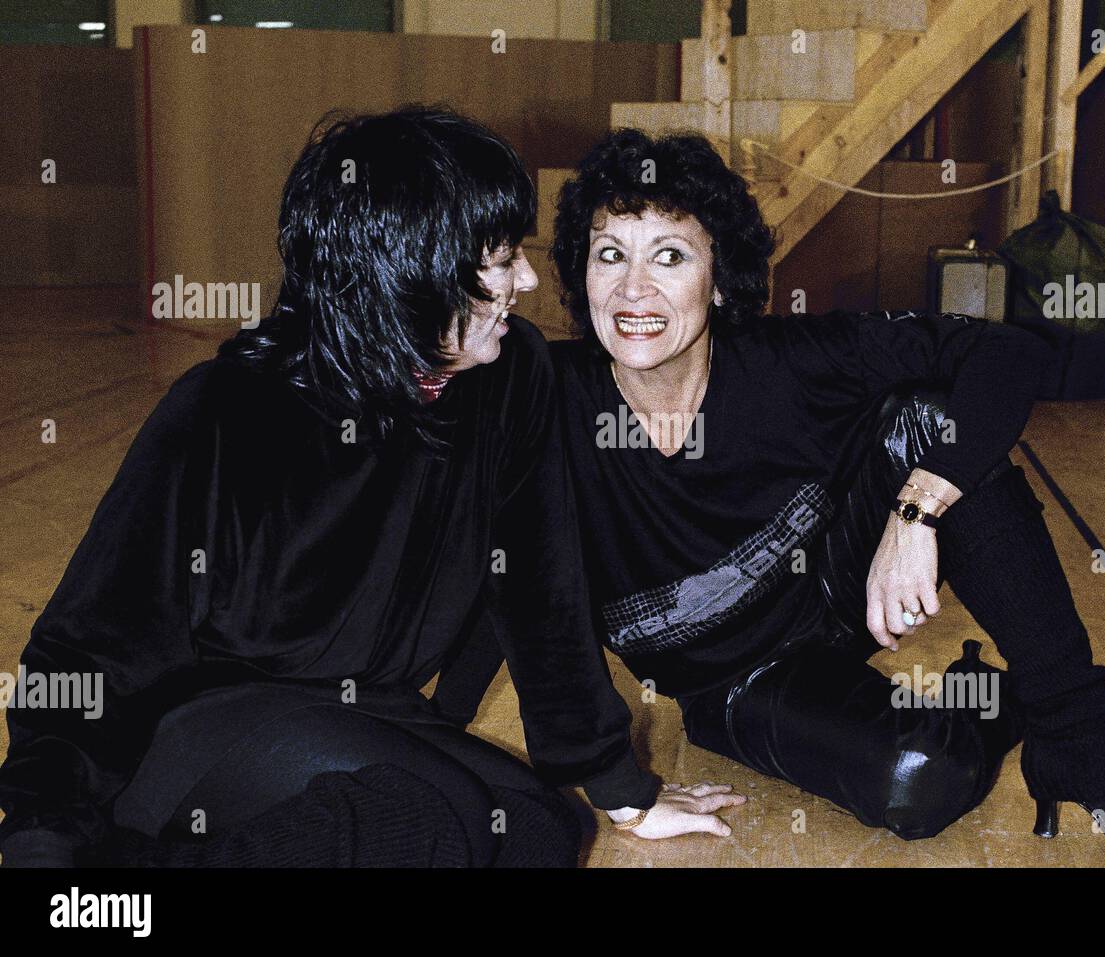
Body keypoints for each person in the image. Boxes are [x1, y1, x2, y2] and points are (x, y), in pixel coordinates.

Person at [434, 128, 1105, 867]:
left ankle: (1089, 754)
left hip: (838, 593)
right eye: (610, 254)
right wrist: (445, 747)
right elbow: (505, 585)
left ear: (718, 275)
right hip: (731, 684)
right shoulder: (543, 398)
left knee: (935, 420)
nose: (634, 289)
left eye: (670, 255)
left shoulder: (792, 362)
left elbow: (1007, 352)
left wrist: (917, 508)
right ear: (580, 271)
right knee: (920, 778)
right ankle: (1000, 702)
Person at [0, 108, 743, 869]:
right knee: (433, 822)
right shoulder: (224, 411)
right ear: (408, 274)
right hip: (199, 730)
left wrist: (618, 786)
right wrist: (42, 837)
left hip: (363, 714)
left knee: (536, 827)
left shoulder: (512, 375)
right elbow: (86, 646)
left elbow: (537, 590)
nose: (526, 277)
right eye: (497, 257)